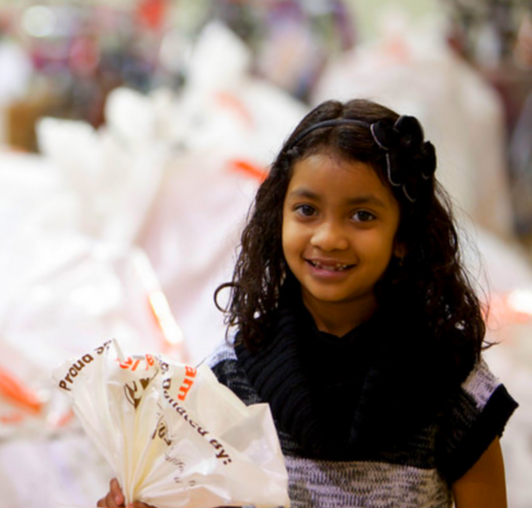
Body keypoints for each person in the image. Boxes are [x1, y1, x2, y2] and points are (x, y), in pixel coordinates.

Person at [99, 99, 518, 508]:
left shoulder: (451, 382)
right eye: (306, 210)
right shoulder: (230, 380)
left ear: (405, 236)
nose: (328, 238)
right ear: (277, 218)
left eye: (362, 216)